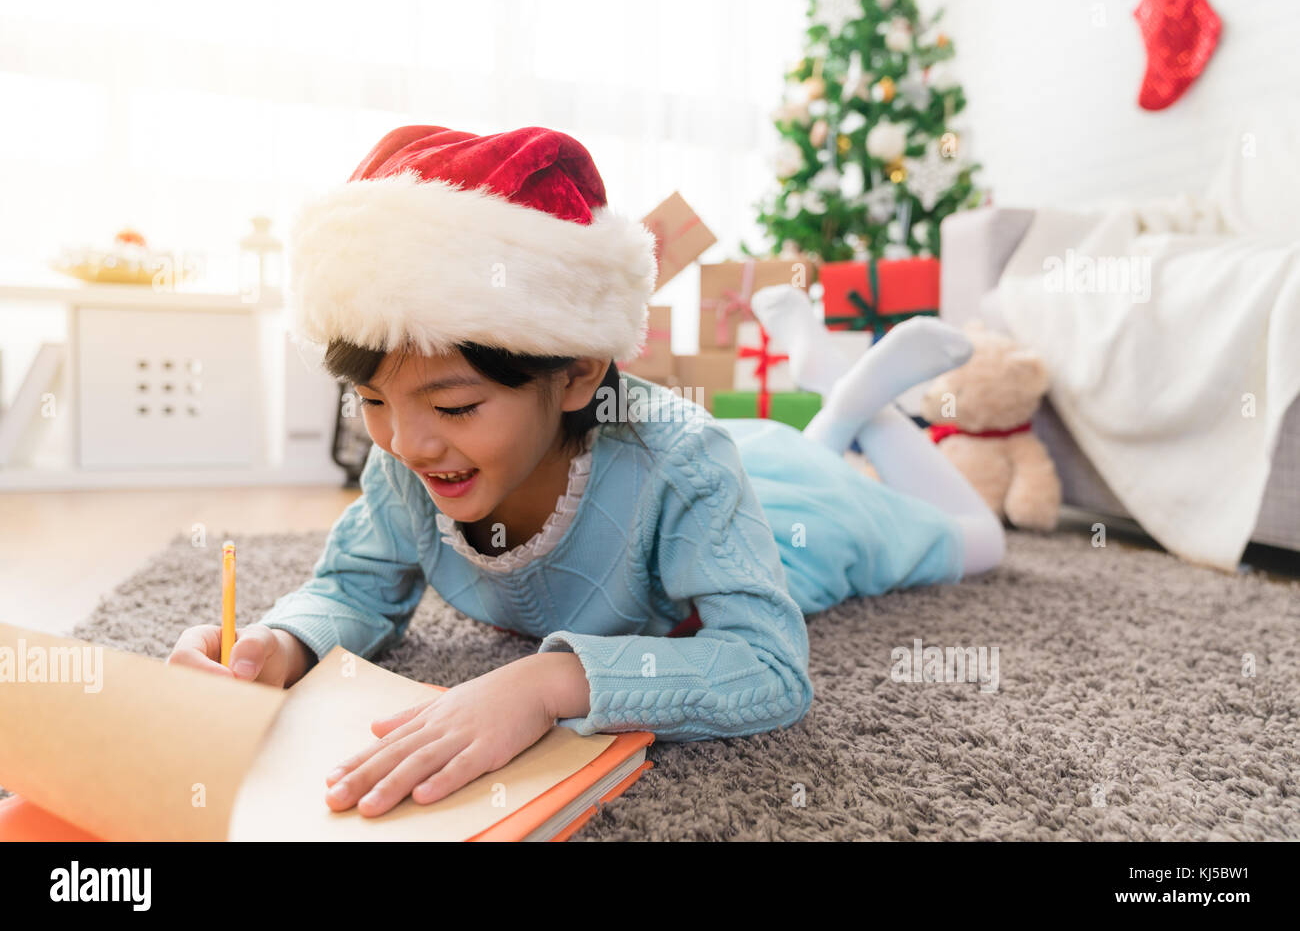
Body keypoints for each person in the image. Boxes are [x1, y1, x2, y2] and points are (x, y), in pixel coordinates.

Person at [167, 124, 1004, 819]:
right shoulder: (408, 457)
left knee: (979, 540)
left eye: (454, 408)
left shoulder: (684, 467)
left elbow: (771, 669)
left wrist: (549, 682)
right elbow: (352, 587)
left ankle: (866, 402)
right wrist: (278, 644)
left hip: (793, 521)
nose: (407, 444)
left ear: (576, 374)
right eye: (372, 401)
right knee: (811, 450)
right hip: (722, 470)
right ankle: (839, 394)